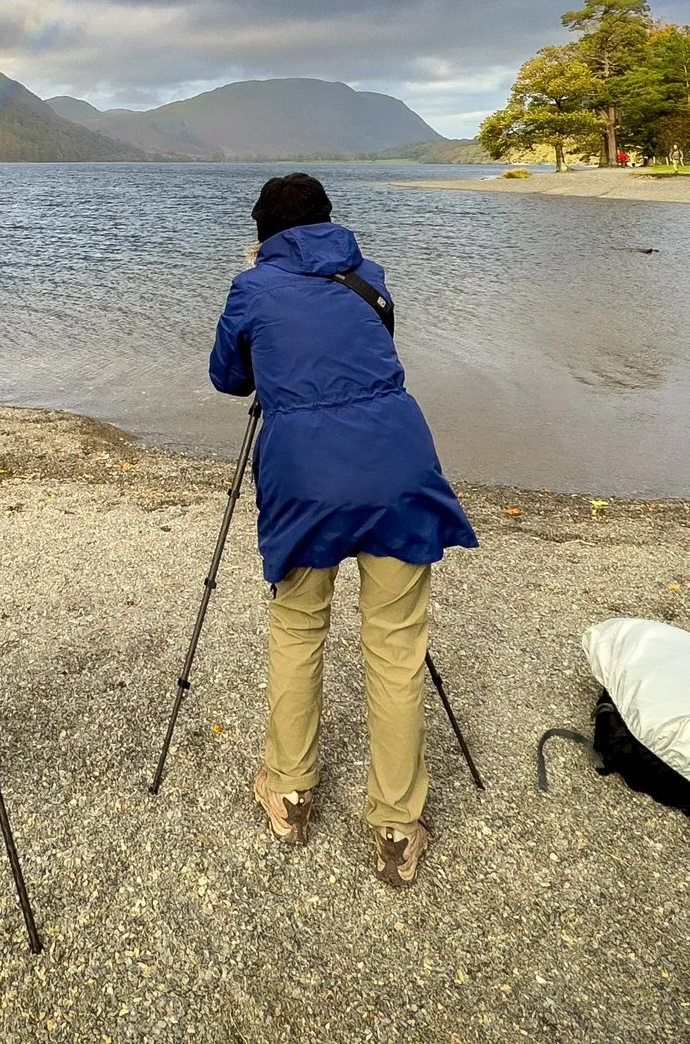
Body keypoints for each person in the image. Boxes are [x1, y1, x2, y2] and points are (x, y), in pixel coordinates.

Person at [208, 173, 476, 887]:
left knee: (298, 627)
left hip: (306, 478)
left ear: (265, 233)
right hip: (398, 467)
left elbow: (227, 376)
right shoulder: (370, 276)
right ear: (329, 223)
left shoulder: (252, 286)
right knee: (395, 646)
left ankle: (290, 793)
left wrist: (255, 285)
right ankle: (396, 826)